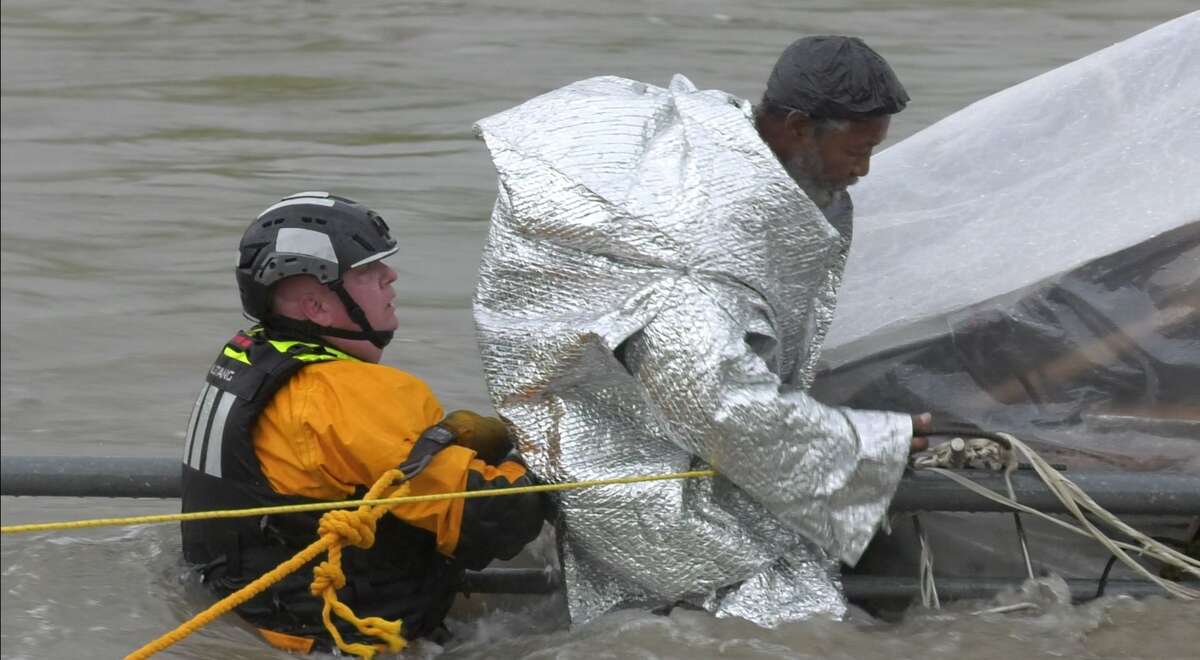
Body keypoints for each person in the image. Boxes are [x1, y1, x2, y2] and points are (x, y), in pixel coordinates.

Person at [472, 36, 929, 627]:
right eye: (858, 149)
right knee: (782, 617)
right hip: (621, 446)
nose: (864, 169)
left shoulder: (723, 140)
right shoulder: (707, 246)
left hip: (627, 391)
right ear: (795, 126)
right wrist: (867, 445)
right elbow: (711, 401)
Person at [180, 192, 545, 654]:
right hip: (334, 640)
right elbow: (496, 517)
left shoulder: (248, 355)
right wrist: (539, 456)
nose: (390, 277)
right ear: (315, 307)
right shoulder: (344, 394)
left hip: (243, 620)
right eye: (368, 271)